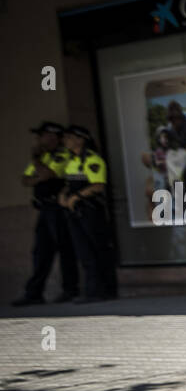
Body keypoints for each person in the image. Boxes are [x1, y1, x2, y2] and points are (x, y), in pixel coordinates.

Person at [12, 121, 77, 307]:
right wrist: (38, 173)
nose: (38, 140)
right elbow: (25, 180)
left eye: (41, 136)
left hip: (58, 208)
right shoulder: (44, 157)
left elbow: (48, 175)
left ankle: (70, 289)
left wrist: (37, 163)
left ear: (52, 137)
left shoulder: (62, 155)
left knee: (66, 250)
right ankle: (34, 293)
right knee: (40, 252)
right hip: (44, 210)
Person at [59, 125, 117, 303]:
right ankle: (92, 291)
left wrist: (75, 198)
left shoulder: (93, 160)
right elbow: (70, 183)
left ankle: (105, 290)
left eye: (69, 137)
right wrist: (63, 195)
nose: (65, 141)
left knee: (98, 250)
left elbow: (98, 185)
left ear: (81, 139)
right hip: (74, 212)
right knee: (84, 252)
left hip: (91, 211)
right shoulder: (70, 161)